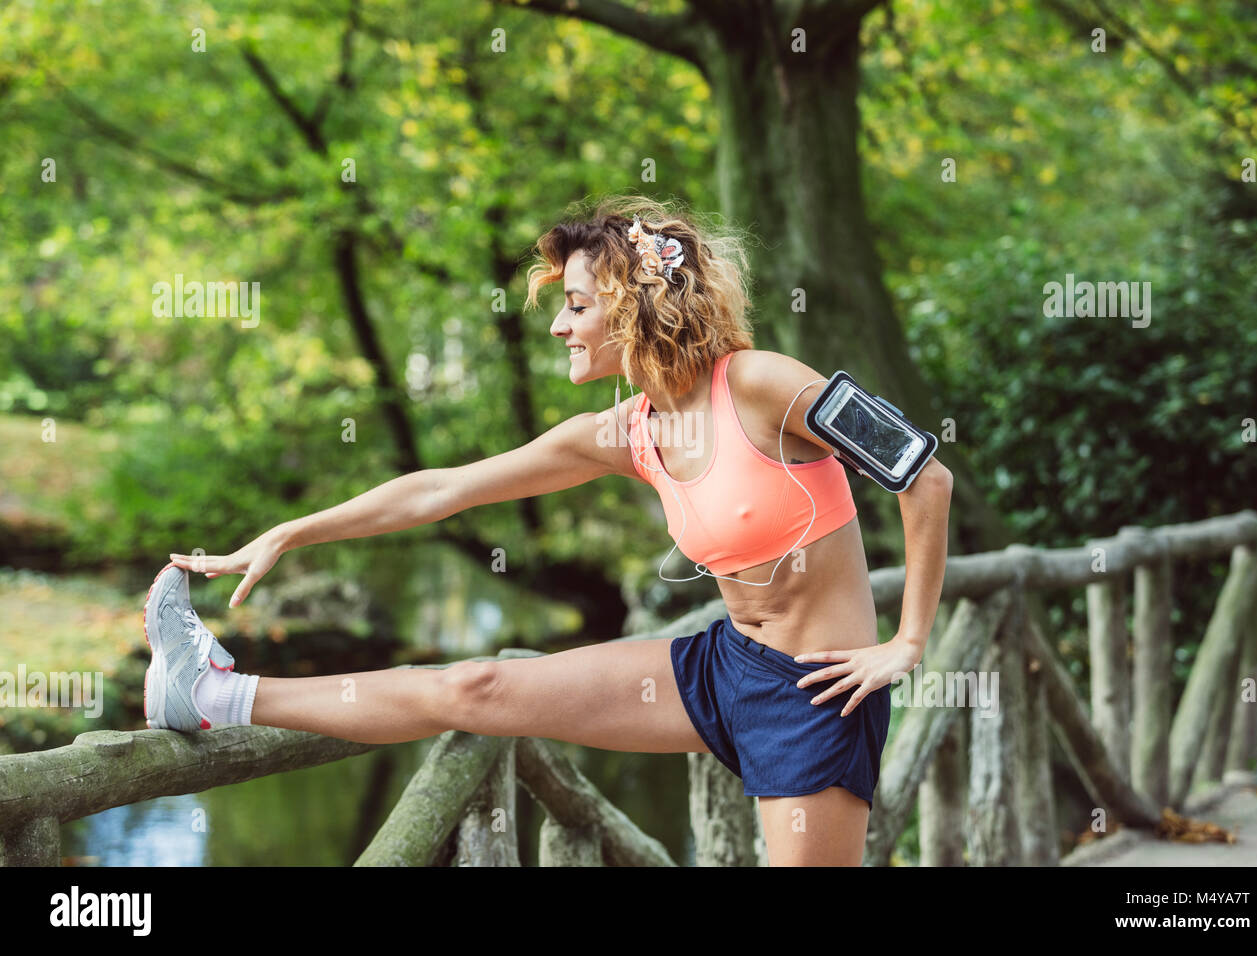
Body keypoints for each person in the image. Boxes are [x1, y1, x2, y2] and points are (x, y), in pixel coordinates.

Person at [150, 195, 953, 866]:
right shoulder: (627, 432)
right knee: (476, 687)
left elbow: (925, 475)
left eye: (576, 306)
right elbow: (443, 490)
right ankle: (217, 691)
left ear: (635, 301)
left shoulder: (760, 385)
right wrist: (292, 532)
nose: (558, 327)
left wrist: (907, 642)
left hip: (814, 695)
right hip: (721, 668)